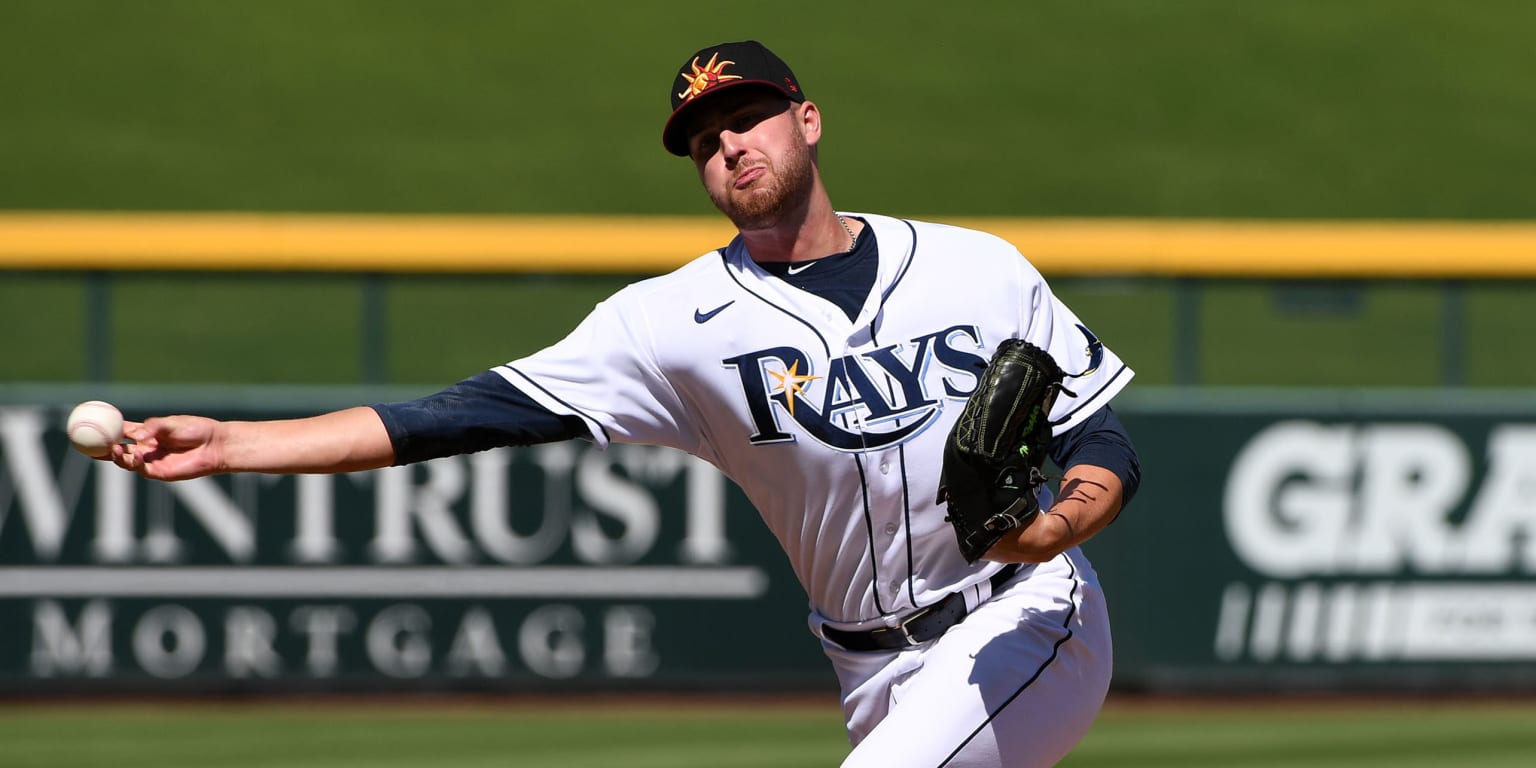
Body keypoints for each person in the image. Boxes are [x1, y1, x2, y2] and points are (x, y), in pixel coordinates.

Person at [110, 40, 1140, 768]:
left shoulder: (973, 268)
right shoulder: (669, 323)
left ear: (808, 120)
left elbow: (1101, 438)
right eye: (705, 141)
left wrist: (1055, 528)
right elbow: (457, 417)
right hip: (866, 666)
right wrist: (233, 443)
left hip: (1023, 616)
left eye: (747, 118)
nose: (729, 145)